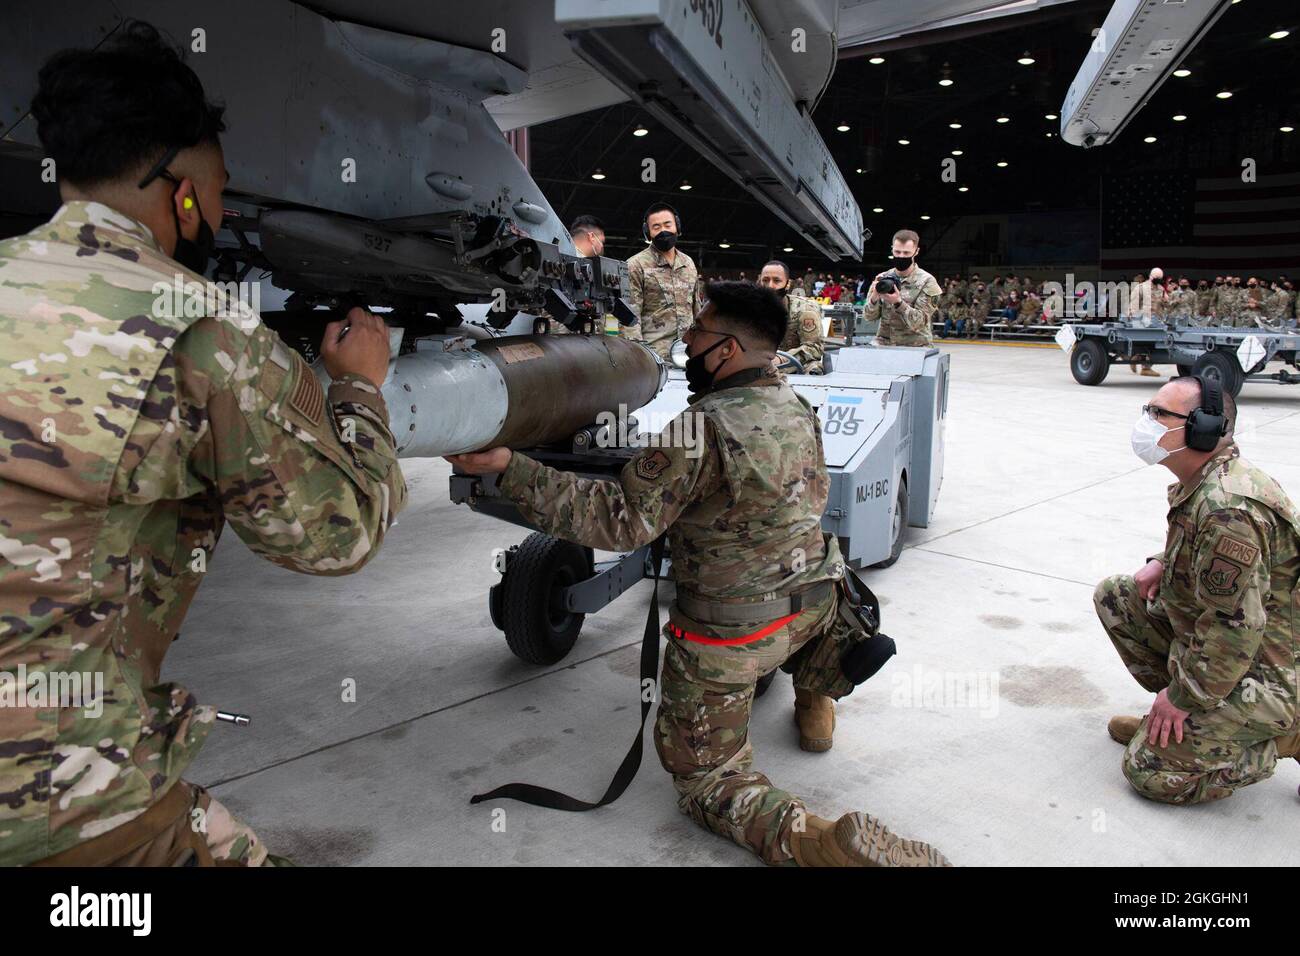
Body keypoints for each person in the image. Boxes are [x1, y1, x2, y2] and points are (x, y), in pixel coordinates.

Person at [0, 22, 407, 867]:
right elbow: (337, 535)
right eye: (218, 187)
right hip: (69, 802)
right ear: (179, 188)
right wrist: (359, 389)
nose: (220, 211)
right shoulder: (208, 334)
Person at [447, 282, 950, 867]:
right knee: (808, 592)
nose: (685, 340)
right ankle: (815, 699)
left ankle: (815, 841)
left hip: (733, 637)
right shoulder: (797, 407)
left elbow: (622, 521)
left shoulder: (700, 427)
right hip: (816, 611)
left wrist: (512, 469)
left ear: (729, 349)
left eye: (698, 332)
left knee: (706, 780)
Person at [1094, 376, 1300, 804]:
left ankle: (1283, 738)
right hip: (1235, 656)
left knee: (1148, 773)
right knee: (1117, 596)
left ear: (1202, 428)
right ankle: (1182, 726)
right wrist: (1163, 561)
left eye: (1158, 414)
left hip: (1270, 675)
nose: (1146, 422)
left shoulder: (1228, 506)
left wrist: (1183, 697)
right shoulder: (1206, 484)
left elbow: (1235, 628)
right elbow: (1220, 569)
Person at [624, 201, 699, 359]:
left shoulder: (688, 263)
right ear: (648, 232)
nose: (663, 231)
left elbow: (697, 310)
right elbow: (630, 316)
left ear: (677, 226)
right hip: (654, 357)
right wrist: (638, 357)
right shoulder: (635, 265)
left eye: (667, 224)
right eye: (656, 227)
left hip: (689, 354)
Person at [862, 229, 941, 347]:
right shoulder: (883, 278)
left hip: (915, 345)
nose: (901, 256)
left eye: (906, 253)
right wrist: (874, 298)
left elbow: (919, 323)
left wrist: (898, 303)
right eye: (897, 252)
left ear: (916, 251)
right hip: (885, 343)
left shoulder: (927, 282)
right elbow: (868, 317)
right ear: (892, 249)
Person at [758, 260, 824, 373]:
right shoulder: (749, 308)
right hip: (758, 365)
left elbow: (814, 348)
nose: (770, 286)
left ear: (788, 284)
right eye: (765, 280)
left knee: (814, 368)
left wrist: (780, 359)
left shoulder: (805, 308)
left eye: (776, 281)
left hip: (793, 366)